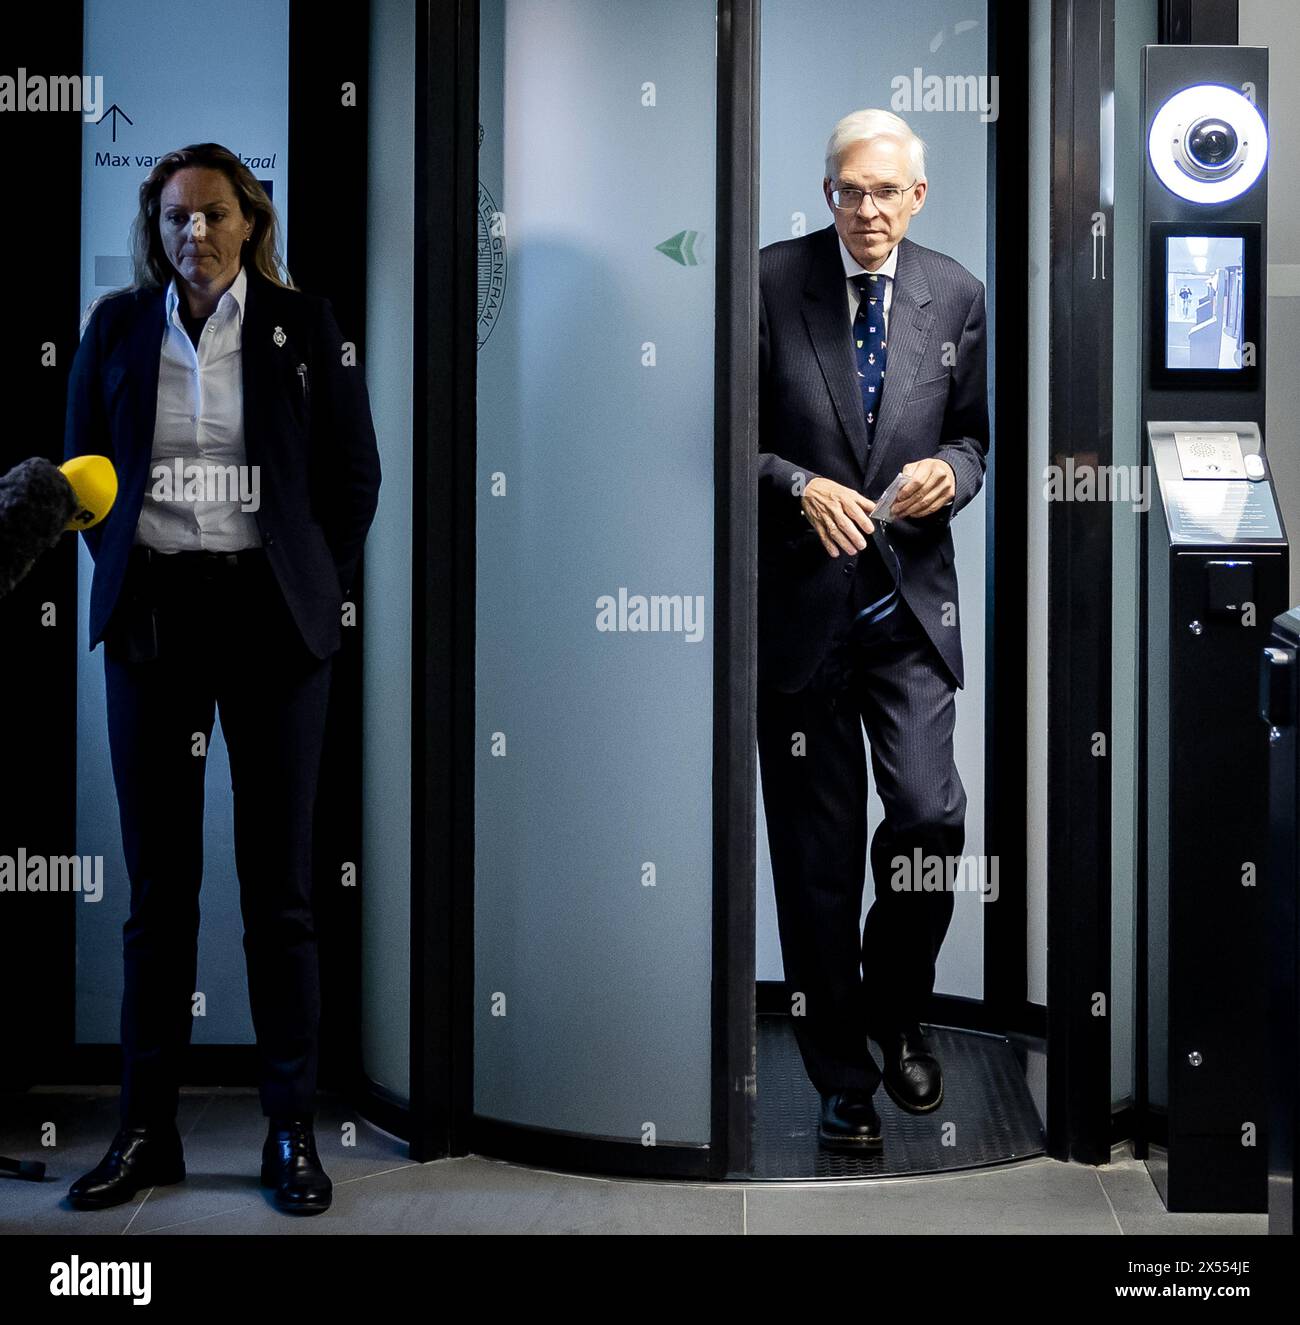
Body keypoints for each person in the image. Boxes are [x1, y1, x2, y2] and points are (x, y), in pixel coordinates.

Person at [63, 143, 381, 1214]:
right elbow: (80, 484)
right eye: (171, 220)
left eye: (209, 216)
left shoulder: (305, 328)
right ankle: (146, 1130)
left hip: (273, 625)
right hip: (155, 618)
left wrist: (308, 580)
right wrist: (123, 569)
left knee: (281, 889)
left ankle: (290, 1128)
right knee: (157, 896)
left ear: (250, 221)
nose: (190, 236)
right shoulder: (114, 327)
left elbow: (353, 475)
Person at [757, 109, 988, 1150]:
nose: (865, 208)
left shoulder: (958, 294)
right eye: (848, 189)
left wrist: (958, 474)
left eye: (884, 191)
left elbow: (974, 436)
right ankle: (843, 1075)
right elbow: (726, 439)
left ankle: (894, 1010)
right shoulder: (766, 281)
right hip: (803, 622)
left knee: (931, 819)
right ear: (827, 192)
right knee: (815, 861)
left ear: (917, 196)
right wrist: (798, 484)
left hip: (905, 612)